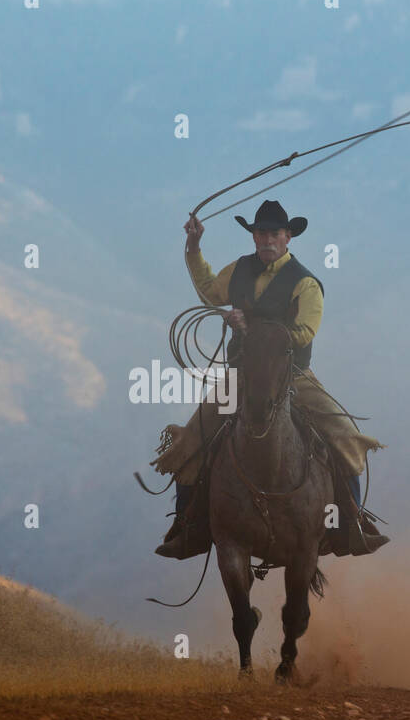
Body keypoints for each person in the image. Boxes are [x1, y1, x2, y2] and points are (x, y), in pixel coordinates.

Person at [152, 198, 388, 559]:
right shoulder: (241, 269)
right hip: (240, 376)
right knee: (192, 438)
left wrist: (251, 326)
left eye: (274, 233)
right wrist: (194, 247)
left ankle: (352, 523)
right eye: (260, 232)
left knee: (344, 434)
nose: (266, 239)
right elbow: (209, 292)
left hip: (292, 377)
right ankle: (186, 526)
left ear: (288, 236)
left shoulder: (305, 283)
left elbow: (304, 331)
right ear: (254, 236)